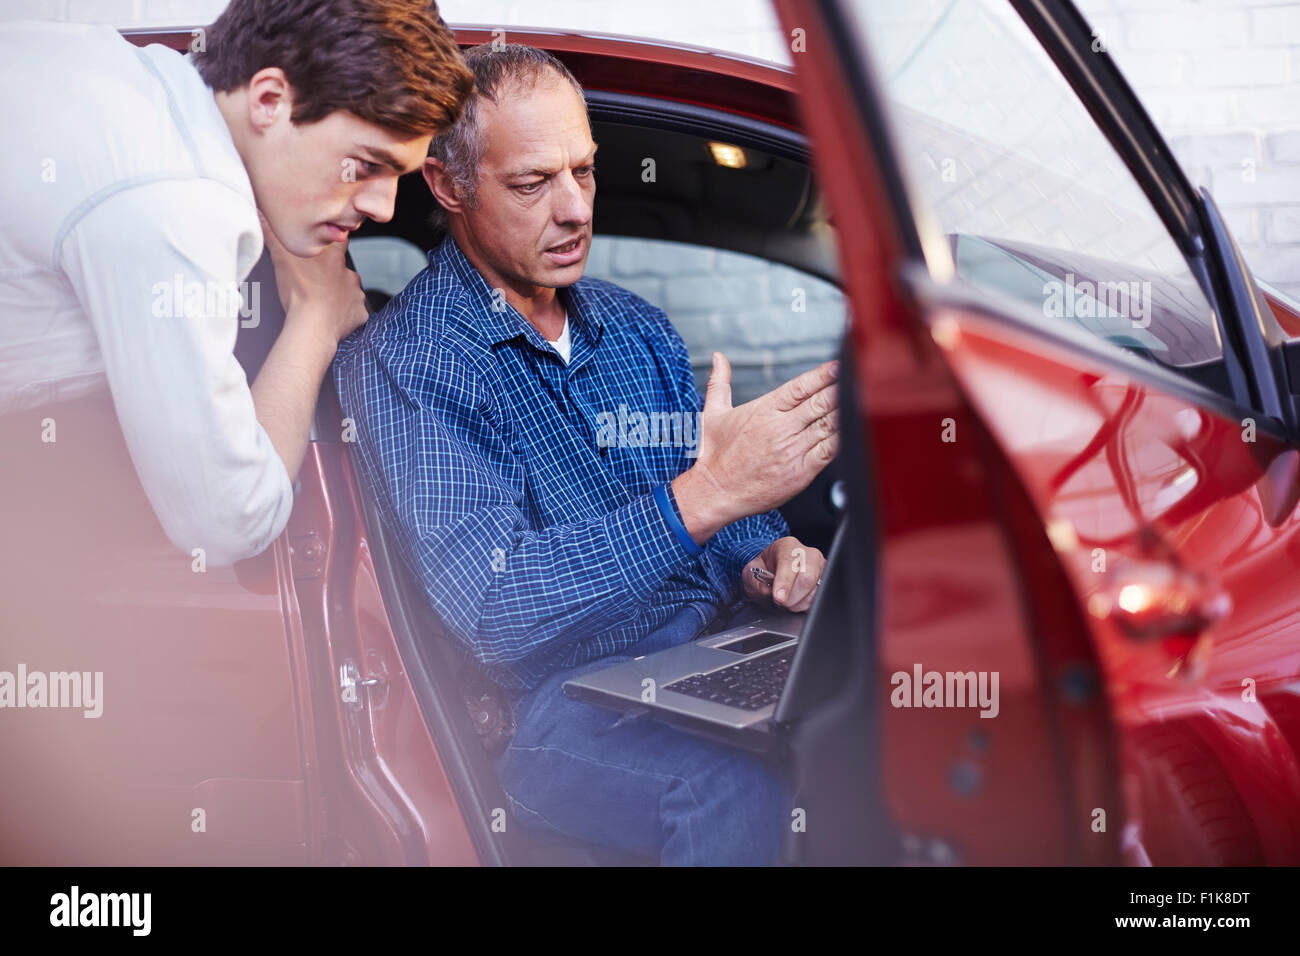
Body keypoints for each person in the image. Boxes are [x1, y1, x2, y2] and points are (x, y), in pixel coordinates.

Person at [335, 44, 839, 865]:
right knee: (734, 786)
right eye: (533, 183)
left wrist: (765, 554)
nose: (574, 209)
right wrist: (706, 497)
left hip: (710, 650)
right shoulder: (416, 361)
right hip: (552, 710)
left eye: (586, 171)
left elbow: (716, 509)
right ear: (447, 185)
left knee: (874, 715)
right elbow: (494, 611)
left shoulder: (633, 327)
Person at [0, 0, 471, 565]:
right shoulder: (178, 203)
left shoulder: (105, 71)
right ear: (269, 100)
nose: (384, 208)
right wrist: (317, 319)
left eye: (399, 175)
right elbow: (226, 521)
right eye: (365, 166)